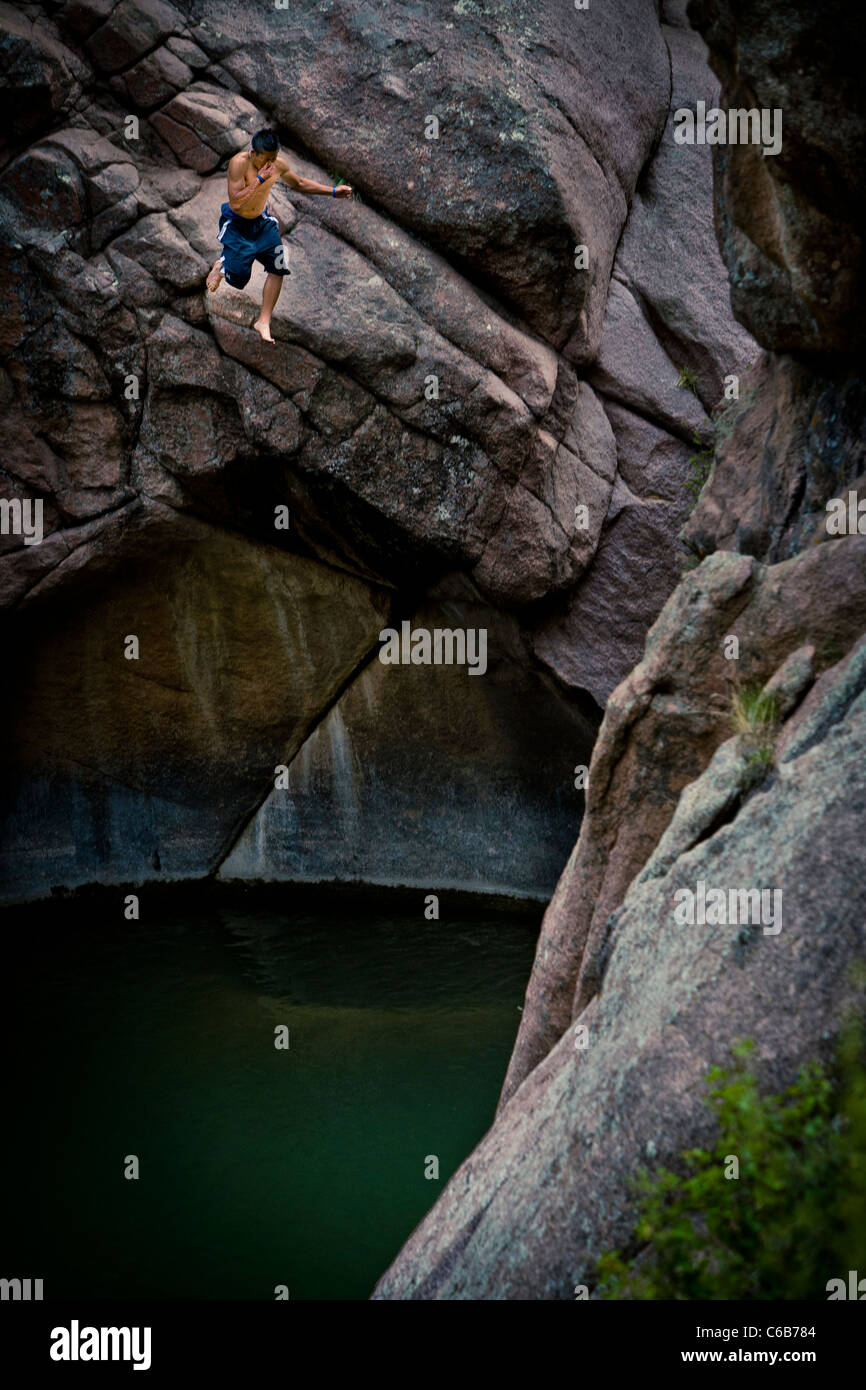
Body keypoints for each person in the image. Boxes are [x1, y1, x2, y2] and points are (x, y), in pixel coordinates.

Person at [206, 128, 352, 342]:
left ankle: (263, 321)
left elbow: (299, 183)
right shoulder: (238, 163)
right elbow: (235, 202)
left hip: (261, 222)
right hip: (237, 224)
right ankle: (222, 267)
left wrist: (332, 191)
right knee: (238, 280)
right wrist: (258, 180)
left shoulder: (277, 165)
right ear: (253, 154)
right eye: (266, 159)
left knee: (280, 264)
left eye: (273, 159)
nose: (270, 165)